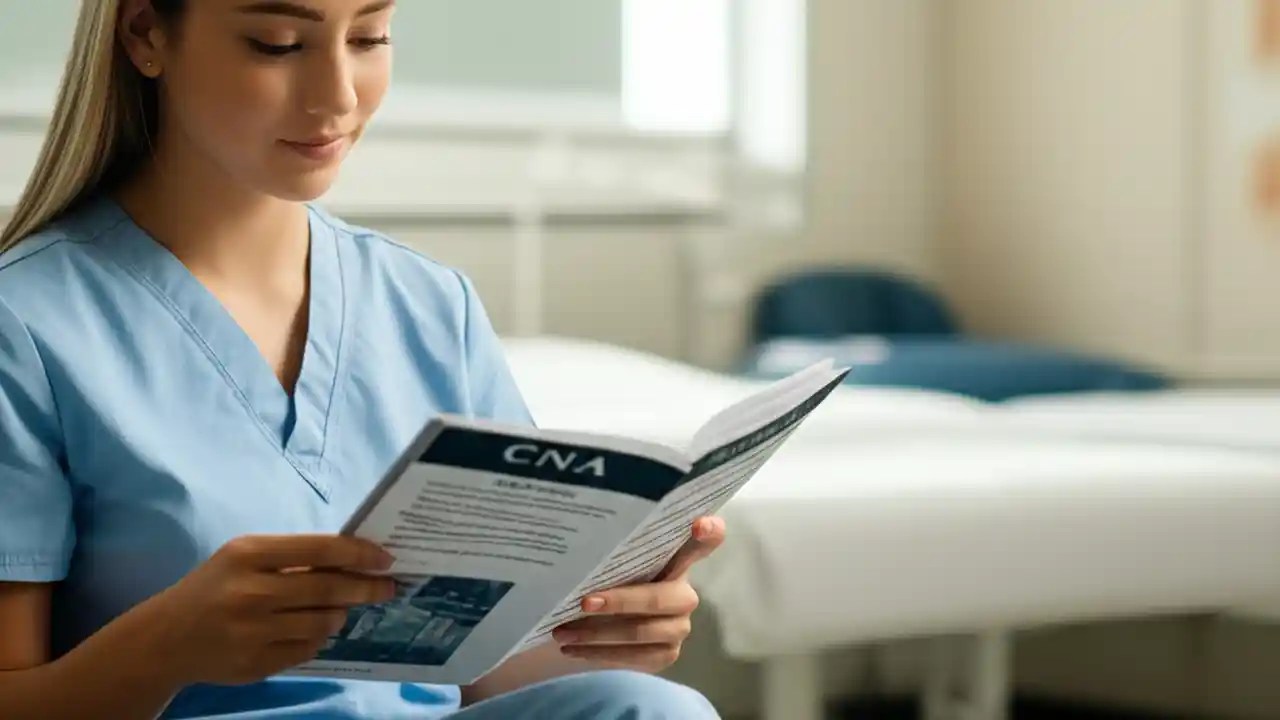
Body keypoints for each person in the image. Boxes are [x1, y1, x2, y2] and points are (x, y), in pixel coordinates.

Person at [0, 1, 725, 718]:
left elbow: (483, 668)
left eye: (370, 38)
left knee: (650, 707)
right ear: (145, 34)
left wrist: (602, 626)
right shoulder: (28, 325)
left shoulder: (432, 305)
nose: (339, 96)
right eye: (278, 44)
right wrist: (168, 644)